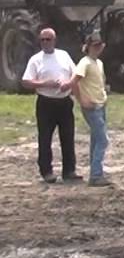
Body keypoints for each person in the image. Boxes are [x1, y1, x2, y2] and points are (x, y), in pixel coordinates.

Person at [20, 27, 79, 183]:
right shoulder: (35, 59)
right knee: (45, 138)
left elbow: (75, 74)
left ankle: (69, 170)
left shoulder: (64, 55)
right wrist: (45, 83)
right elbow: (26, 81)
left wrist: (68, 84)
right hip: (46, 103)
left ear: (54, 40)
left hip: (64, 102)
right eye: (42, 40)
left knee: (68, 137)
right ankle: (46, 171)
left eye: (48, 39)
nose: (45, 42)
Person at [71, 33, 111, 187]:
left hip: (100, 105)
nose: (98, 48)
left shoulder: (99, 63)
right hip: (92, 107)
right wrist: (82, 100)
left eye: (99, 45)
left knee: (96, 139)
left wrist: (104, 96)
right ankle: (96, 175)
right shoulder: (85, 63)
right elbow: (74, 82)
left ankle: (96, 171)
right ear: (88, 47)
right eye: (95, 46)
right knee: (102, 139)